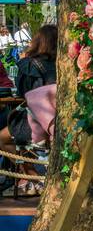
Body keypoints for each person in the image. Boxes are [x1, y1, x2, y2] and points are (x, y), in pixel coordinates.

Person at [0, 23, 56, 153]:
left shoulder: (29, 64)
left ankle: (31, 171)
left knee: (2, 138)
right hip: (57, 120)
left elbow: (21, 93)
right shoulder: (62, 64)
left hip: (37, 121)